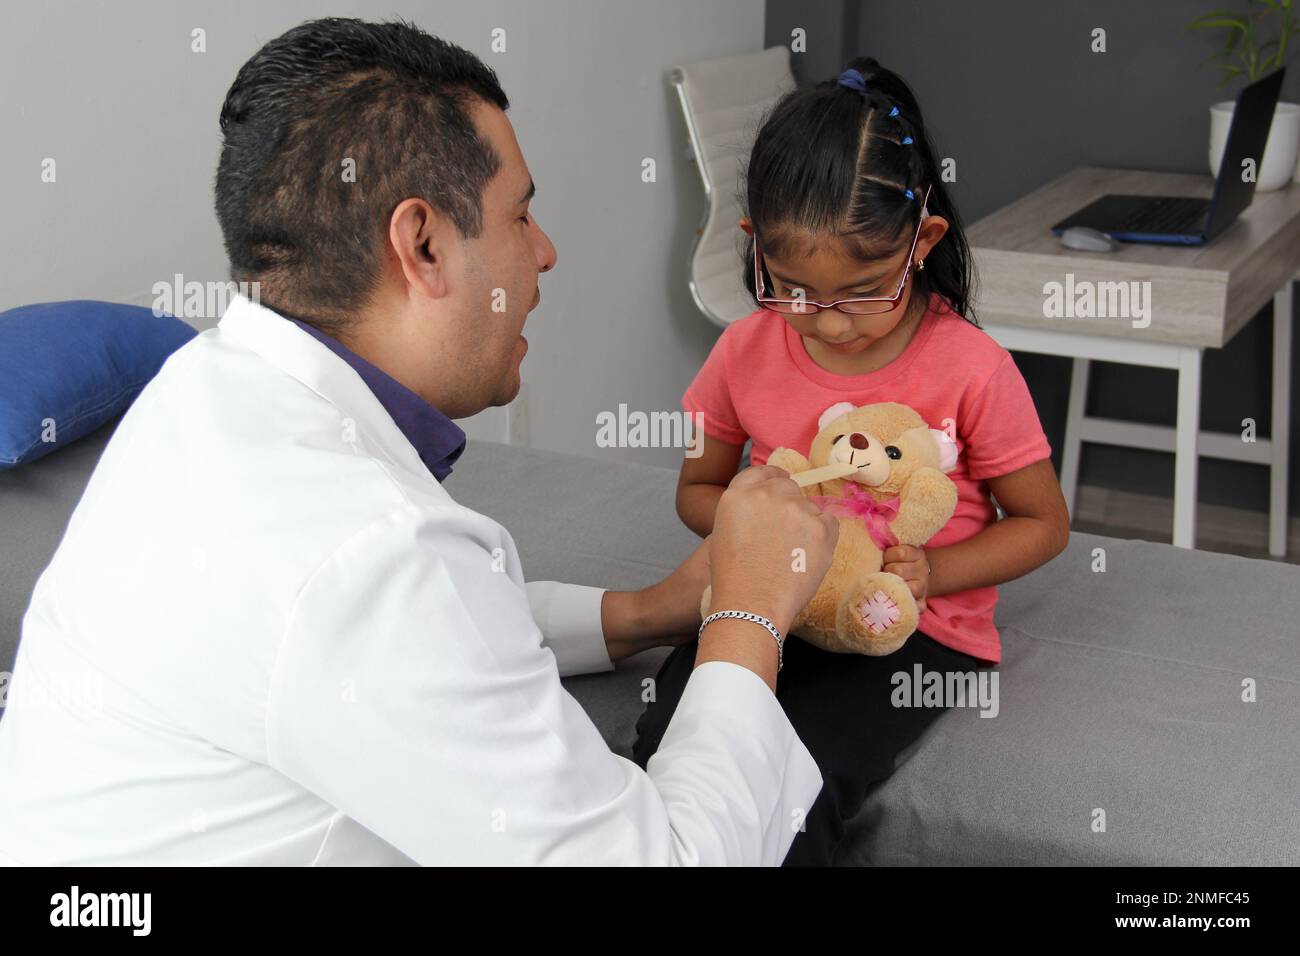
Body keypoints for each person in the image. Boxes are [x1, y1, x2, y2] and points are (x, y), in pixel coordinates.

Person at [0, 18, 841, 866]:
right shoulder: (366, 552)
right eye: (522, 216)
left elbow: (440, 648)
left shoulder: (201, 388)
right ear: (424, 244)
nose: (545, 253)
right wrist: (751, 611)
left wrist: (642, 613)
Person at [633, 58, 1071, 865]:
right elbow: (698, 489)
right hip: (770, 600)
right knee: (665, 744)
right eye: (793, 289)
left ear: (923, 242)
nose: (828, 325)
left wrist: (931, 571)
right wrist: (751, 519)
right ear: (754, 247)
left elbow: (1044, 525)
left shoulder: (971, 367)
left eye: (865, 291)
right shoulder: (741, 351)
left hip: (908, 626)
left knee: (802, 782)